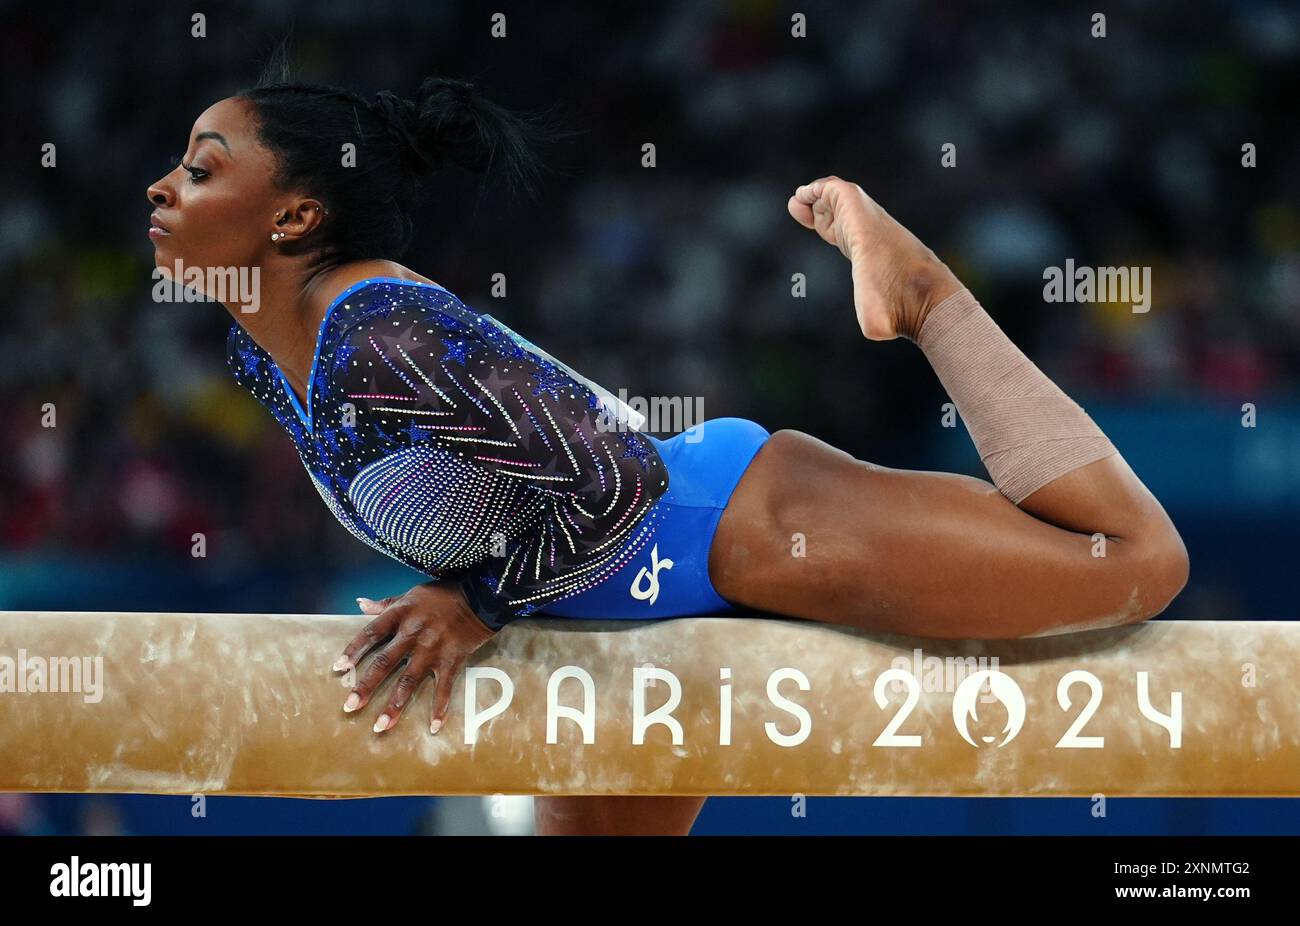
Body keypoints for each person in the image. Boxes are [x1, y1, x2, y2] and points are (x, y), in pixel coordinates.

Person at [145, 70, 1188, 836]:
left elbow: (617, 475)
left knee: (1132, 563)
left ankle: (920, 291)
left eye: (200, 167)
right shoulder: (266, 355)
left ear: (295, 214)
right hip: (621, 626)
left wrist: (472, 605)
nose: (162, 186)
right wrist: (474, 596)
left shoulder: (379, 333)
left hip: (738, 528)